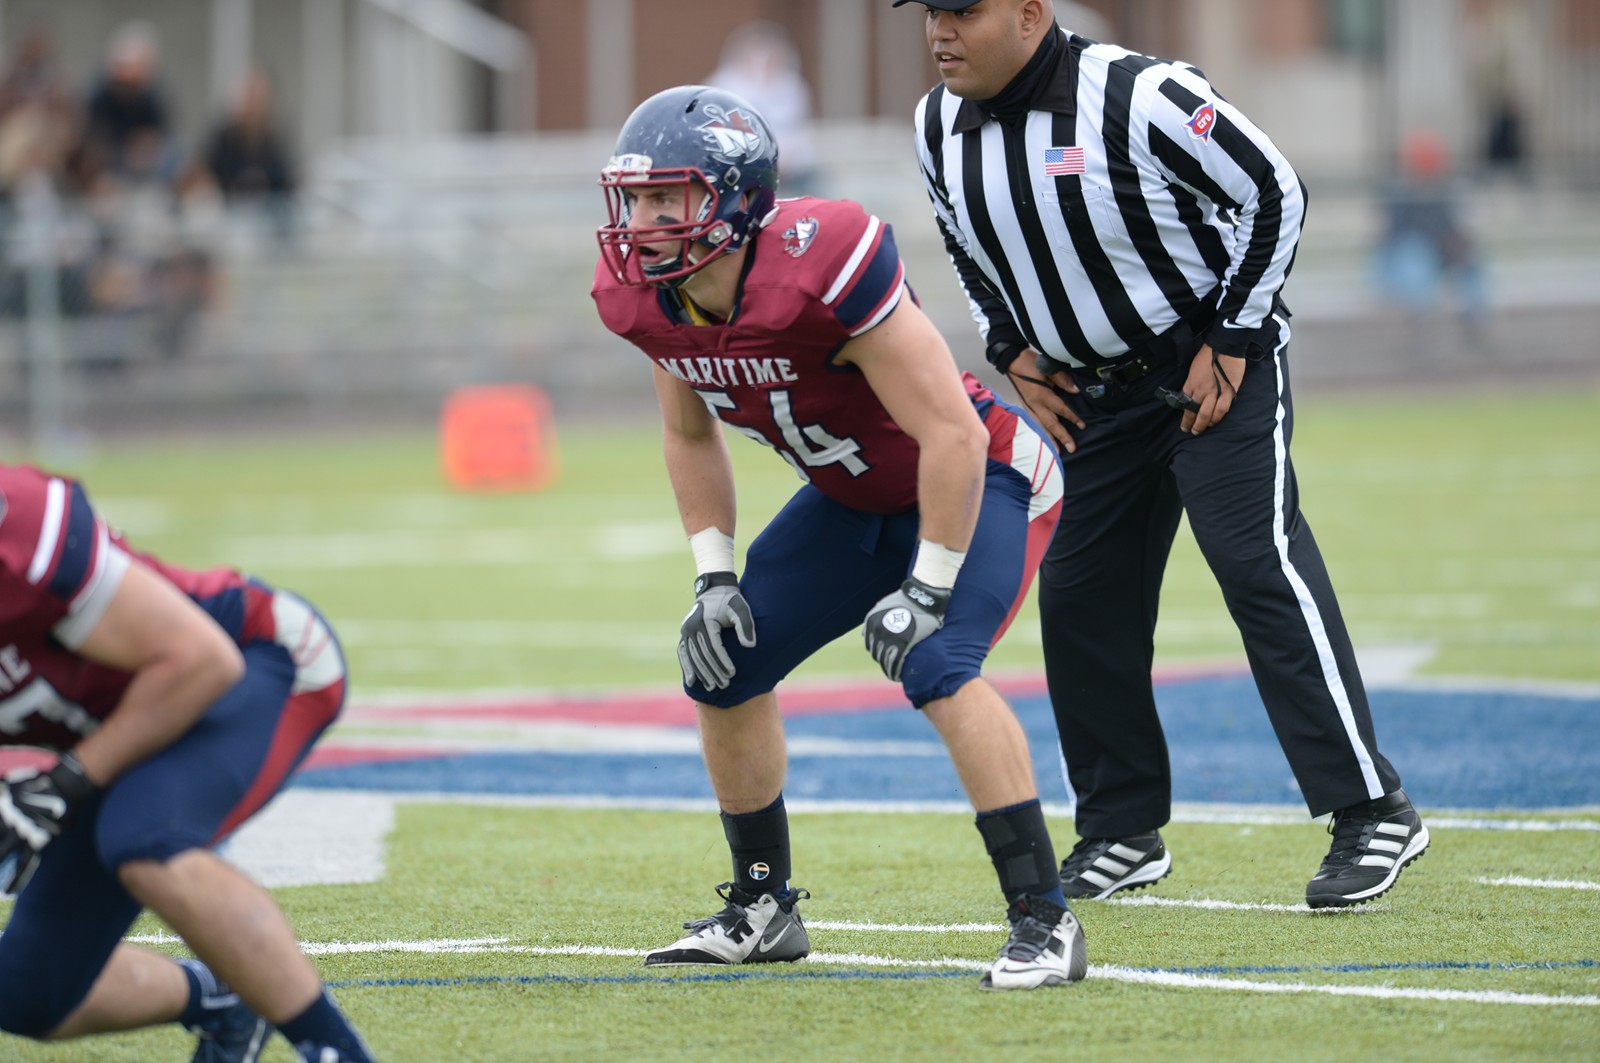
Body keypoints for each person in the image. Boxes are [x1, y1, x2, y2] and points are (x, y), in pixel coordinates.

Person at [895, 0, 1428, 909]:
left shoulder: (1139, 94)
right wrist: (1009, 346)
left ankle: (1372, 808)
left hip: (1205, 367)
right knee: (1078, 593)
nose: (941, 31)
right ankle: (1121, 828)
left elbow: (1274, 190)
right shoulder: (936, 121)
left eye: (965, 11)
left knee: (1254, 561)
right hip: (1092, 394)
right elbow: (962, 237)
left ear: (1029, 15)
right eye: (933, 12)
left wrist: (1237, 334)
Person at [591, 84, 1084, 990]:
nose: (644, 222)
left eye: (669, 198)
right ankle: (763, 905)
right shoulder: (647, 298)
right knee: (722, 659)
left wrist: (928, 588)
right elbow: (688, 430)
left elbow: (956, 435)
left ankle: (1044, 919)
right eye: (636, 199)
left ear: (735, 200)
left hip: (984, 481)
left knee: (938, 664)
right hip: (854, 497)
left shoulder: (822, 261)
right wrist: (713, 578)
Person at [0, 464, 377, 1061]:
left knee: (146, 837)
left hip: (256, 660)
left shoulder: (15, 530)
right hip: (128, 736)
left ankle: (337, 1053)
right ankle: (224, 997)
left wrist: (63, 785)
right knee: (24, 991)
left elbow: (203, 661)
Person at [706, 22, 819, 195]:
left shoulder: (791, 86)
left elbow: (796, 132)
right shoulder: (724, 86)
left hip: (792, 175)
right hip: (741, 174)